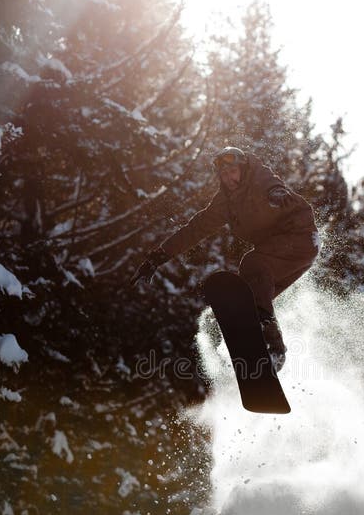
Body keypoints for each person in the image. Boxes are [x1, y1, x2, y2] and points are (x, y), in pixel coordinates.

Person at [131, 146, 319, 370]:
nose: (229, 178)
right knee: (243, 300)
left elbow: (270, 183)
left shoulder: (259, 178)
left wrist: (276, 193)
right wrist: (157, 258)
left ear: (243, 168)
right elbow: (196, 228)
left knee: (252, 264)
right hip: (277, 253)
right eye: (224, 174)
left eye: (233, 171)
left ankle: (275, 349)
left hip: (299, 239)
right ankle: (246, 356)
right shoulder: (226, 202)